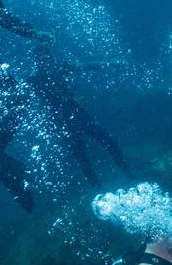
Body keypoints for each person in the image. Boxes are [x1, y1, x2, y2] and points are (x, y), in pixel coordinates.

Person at [26, 42, 131, 186]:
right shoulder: (33, 79)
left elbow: (86, 66)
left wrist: (110, 64)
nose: (47, 61)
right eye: (43, 59)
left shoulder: (59, 67)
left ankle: (128, 173)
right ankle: (98, 186)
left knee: (107, 141)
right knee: (80, 155)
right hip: (60, 119)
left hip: (75, 111)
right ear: (36, 61)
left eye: (48, 57)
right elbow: (22, 96)